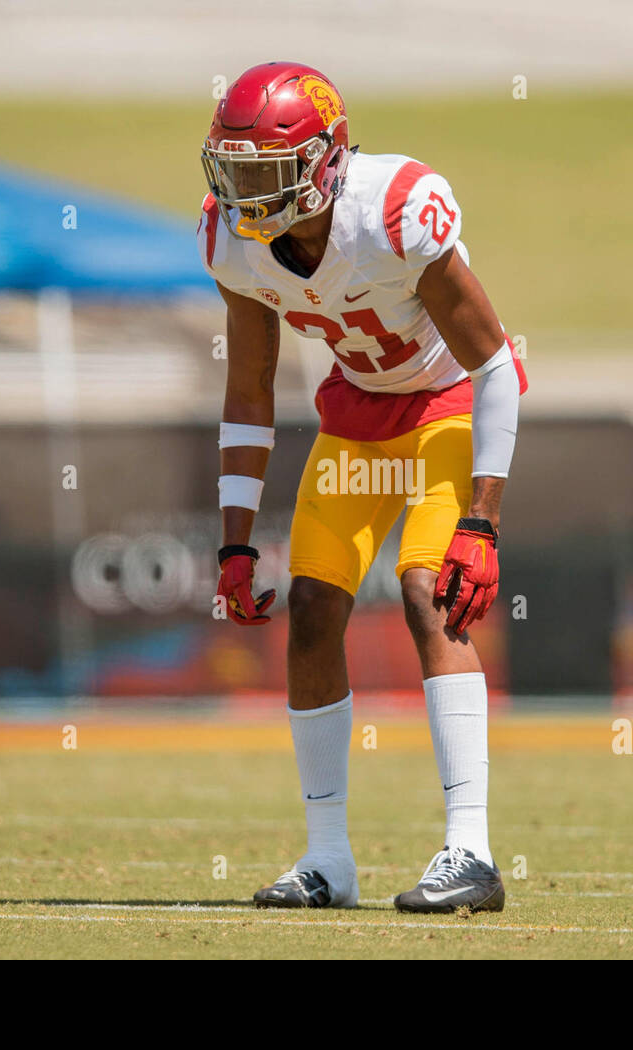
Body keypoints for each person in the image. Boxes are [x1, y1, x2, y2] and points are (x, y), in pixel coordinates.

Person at [196, 61, 526, 913]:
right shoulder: (235, 242)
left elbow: (495, 364)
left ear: (325, 162)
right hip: (356, 419)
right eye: (233, 171)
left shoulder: (395, 210)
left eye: (266, 173)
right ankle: (328, 859)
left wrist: (482, 523)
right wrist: (235, 538)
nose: (246, 194)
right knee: (311, 608)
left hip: (448, 403)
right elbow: (248, 390)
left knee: (429, 589)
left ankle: (472, 852)